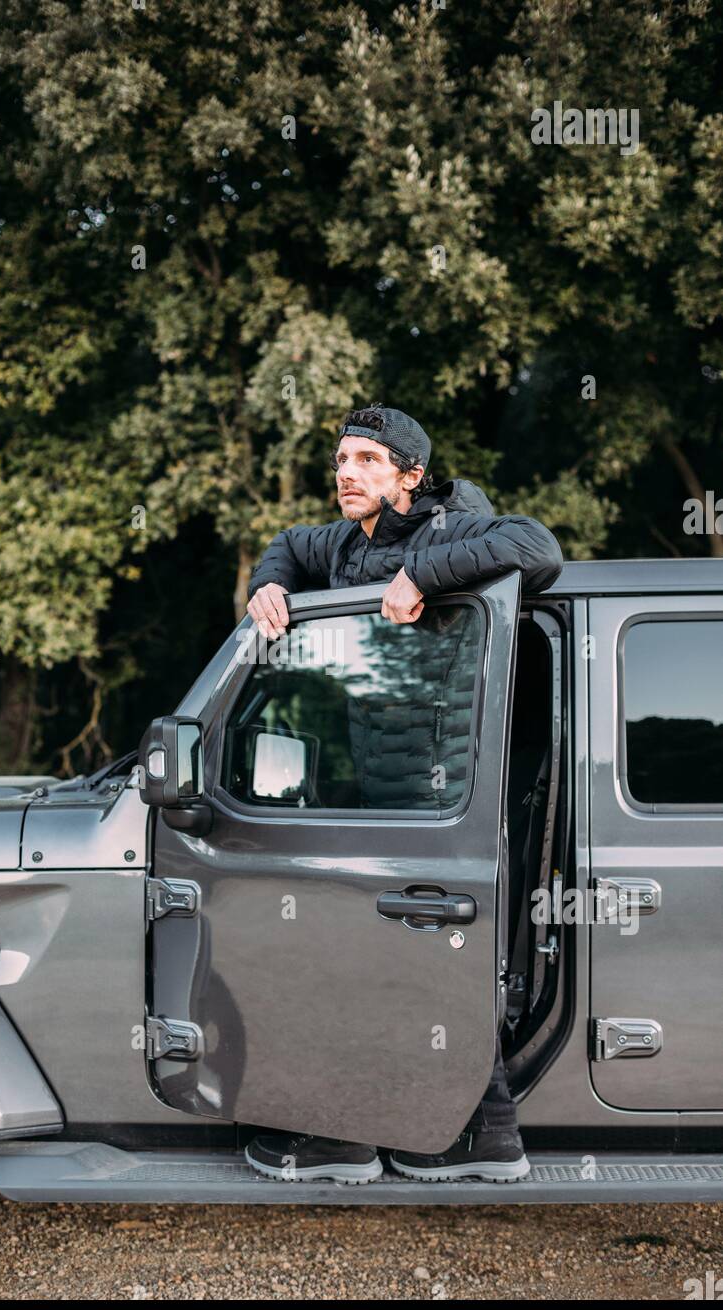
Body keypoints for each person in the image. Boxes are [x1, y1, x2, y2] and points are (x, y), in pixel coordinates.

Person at [242, 403, 564, 1183]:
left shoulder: (451, 527)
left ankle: (424, 1133)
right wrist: (270, 586)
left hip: (445, 786)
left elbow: (538, 547)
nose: (345, 472)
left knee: (414, 964)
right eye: (342, 458)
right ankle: (449, 1135)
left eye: (366, 461)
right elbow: (287, 545)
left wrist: (420, 574)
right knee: (385, 959)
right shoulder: (349, 541)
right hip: (382, 786)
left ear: (409, 478)